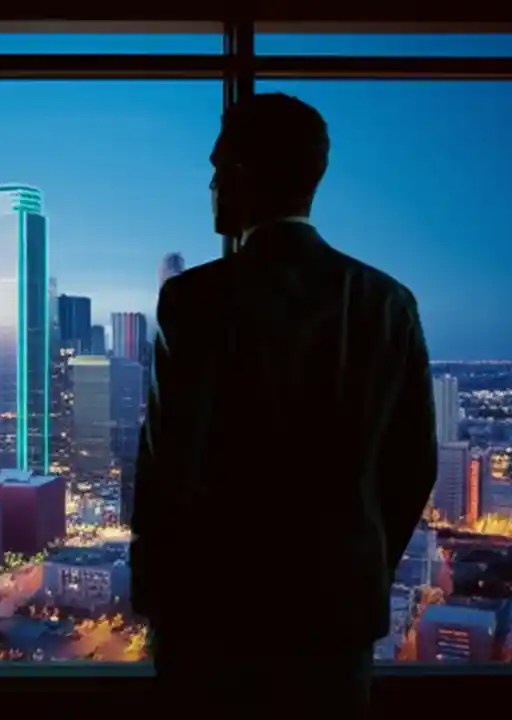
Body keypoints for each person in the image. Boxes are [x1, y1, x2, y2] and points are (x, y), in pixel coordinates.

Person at [130, 93, 438, 717]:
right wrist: (359, 559)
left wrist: (158, 601)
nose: (212, 184)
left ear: (244, 174)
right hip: (335, 615)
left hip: (214, 616)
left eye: (218, 168)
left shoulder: (195, 301)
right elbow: (414, 466)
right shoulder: (386, 302)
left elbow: (169, 464)